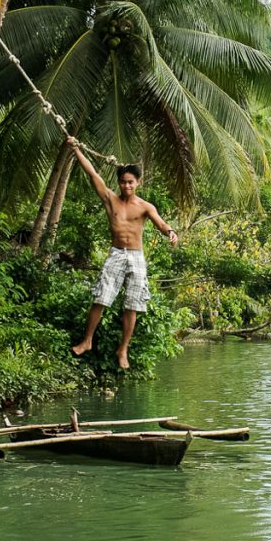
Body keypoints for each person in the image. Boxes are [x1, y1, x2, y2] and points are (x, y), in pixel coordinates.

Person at [67, 137, 178, 368]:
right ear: (118, 182)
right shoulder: (111, 200)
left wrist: (170, 232)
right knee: (101, 298)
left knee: (133, 304)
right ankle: (87, 341)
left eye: (130, 182)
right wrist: (77, 149)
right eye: (123, 182)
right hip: (117, 254)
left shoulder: (146, 206)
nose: (126, 186)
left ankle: (123, 349)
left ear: (137, 182)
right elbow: (93, 174)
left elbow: (160, 223)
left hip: (137, 257)